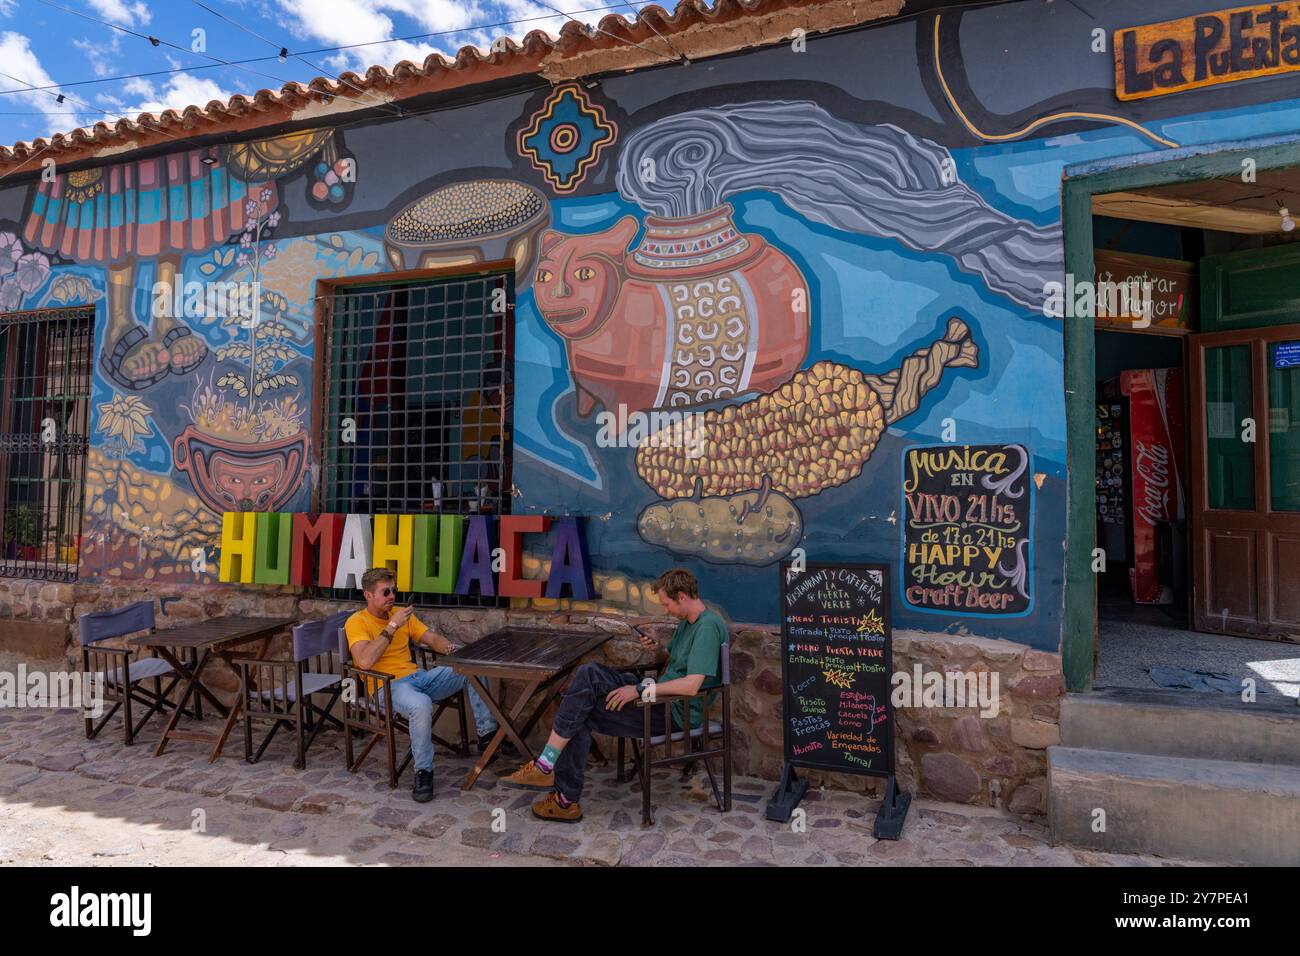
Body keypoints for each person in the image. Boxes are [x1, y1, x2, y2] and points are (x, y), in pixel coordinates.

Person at [501, 567, 727, 822]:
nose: (666, 610)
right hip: (656, 697)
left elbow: (691, 685)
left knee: (579, 712)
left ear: (682, 596)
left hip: (674, 712)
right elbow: (675, 664)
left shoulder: (708, 627)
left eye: (667, 604)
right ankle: (549, 773)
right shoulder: (688, 623)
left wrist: (639, 690)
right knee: (589, 673)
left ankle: (559, 790)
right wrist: (657, 649)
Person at [345, 567, 502, 803]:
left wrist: (451, 651)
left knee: (470, 668)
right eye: (385, 592)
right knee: (420, 705)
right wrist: (391, 627)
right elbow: (364, 661)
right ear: (368, 595)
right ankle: (424, 772)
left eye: (394, 590)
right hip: (387, 687)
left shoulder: (400, 614)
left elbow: (431, 638)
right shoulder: (357, 622)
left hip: (417, 678)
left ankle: (487, 736)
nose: (392, 596)